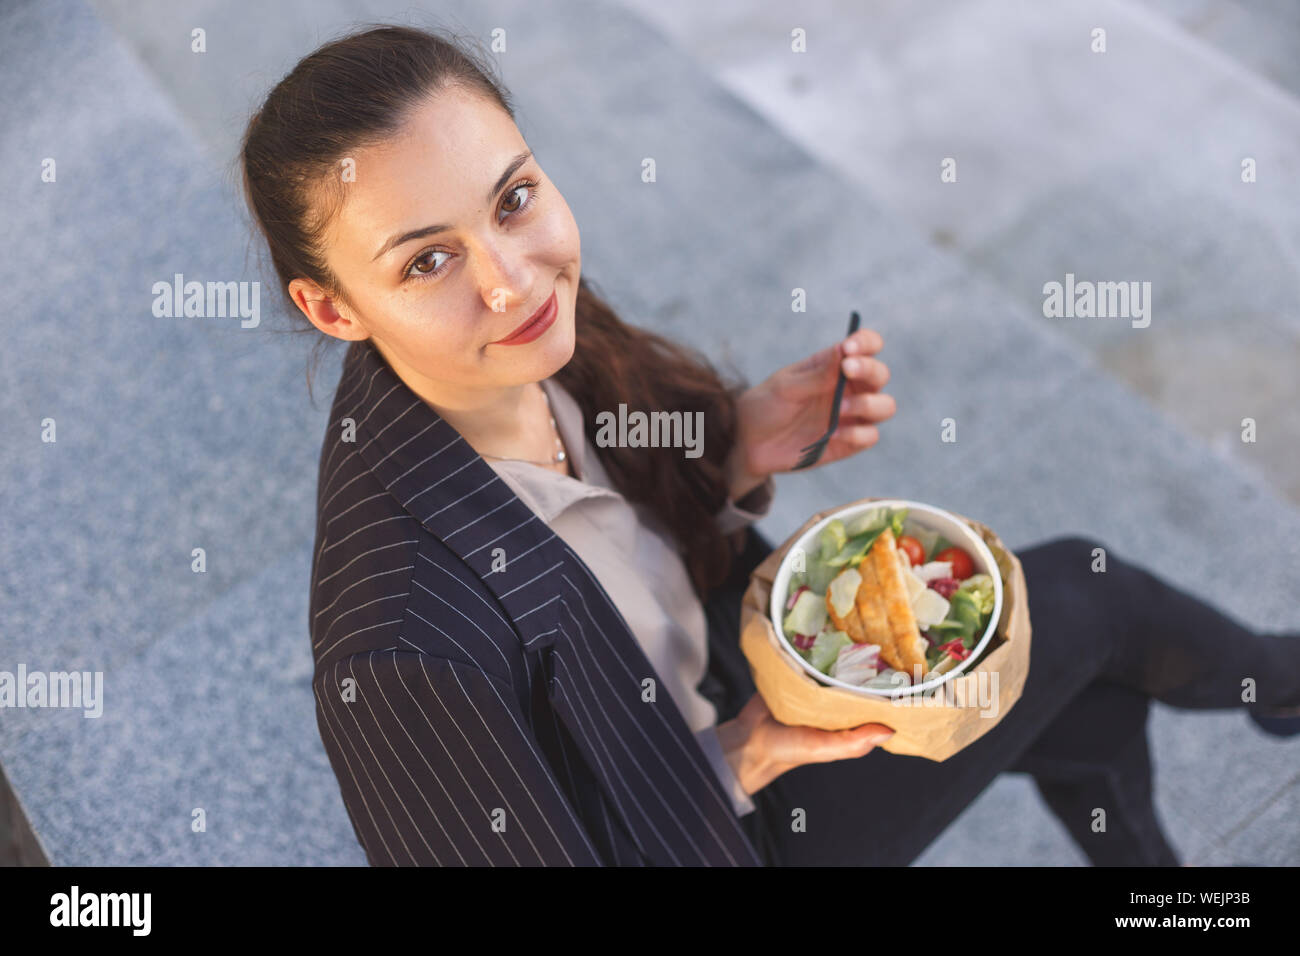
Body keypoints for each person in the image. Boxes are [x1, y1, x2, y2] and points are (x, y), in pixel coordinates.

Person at [239, 24, 1300, 866]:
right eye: (426, 262)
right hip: (723, 826)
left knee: (1083, 689)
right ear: (331, 308)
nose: (510, 275)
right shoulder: (397, 646)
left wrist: (734, 445)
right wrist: (734, 757)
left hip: (745, 684)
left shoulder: (518, 333)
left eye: (513, 198)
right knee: (1089, 601)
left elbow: (624, 536)